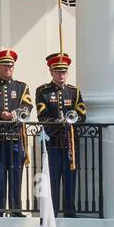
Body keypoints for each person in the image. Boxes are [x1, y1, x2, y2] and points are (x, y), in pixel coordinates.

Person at [0, 49, 32, 218]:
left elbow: (27, 106)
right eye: (5, 66)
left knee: (16, 172)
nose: (8, 68)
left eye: (11, 66)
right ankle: (0, 209)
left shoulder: (22, 87)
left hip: (16, 137)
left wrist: (15, 113)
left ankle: (16, 208)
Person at [36, 52, 87, 218]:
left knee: (70, 178)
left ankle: (70, 210)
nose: (61, 74)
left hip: (70, 141)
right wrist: (58, 121)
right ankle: (53, 211)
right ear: (51, 72)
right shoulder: (43, 91)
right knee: (53, 178)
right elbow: (42, 115)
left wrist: (72, 120)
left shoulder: (74, 92)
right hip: (53, 141)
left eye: (64, 71)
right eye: (58, 71)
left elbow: (82, 114)